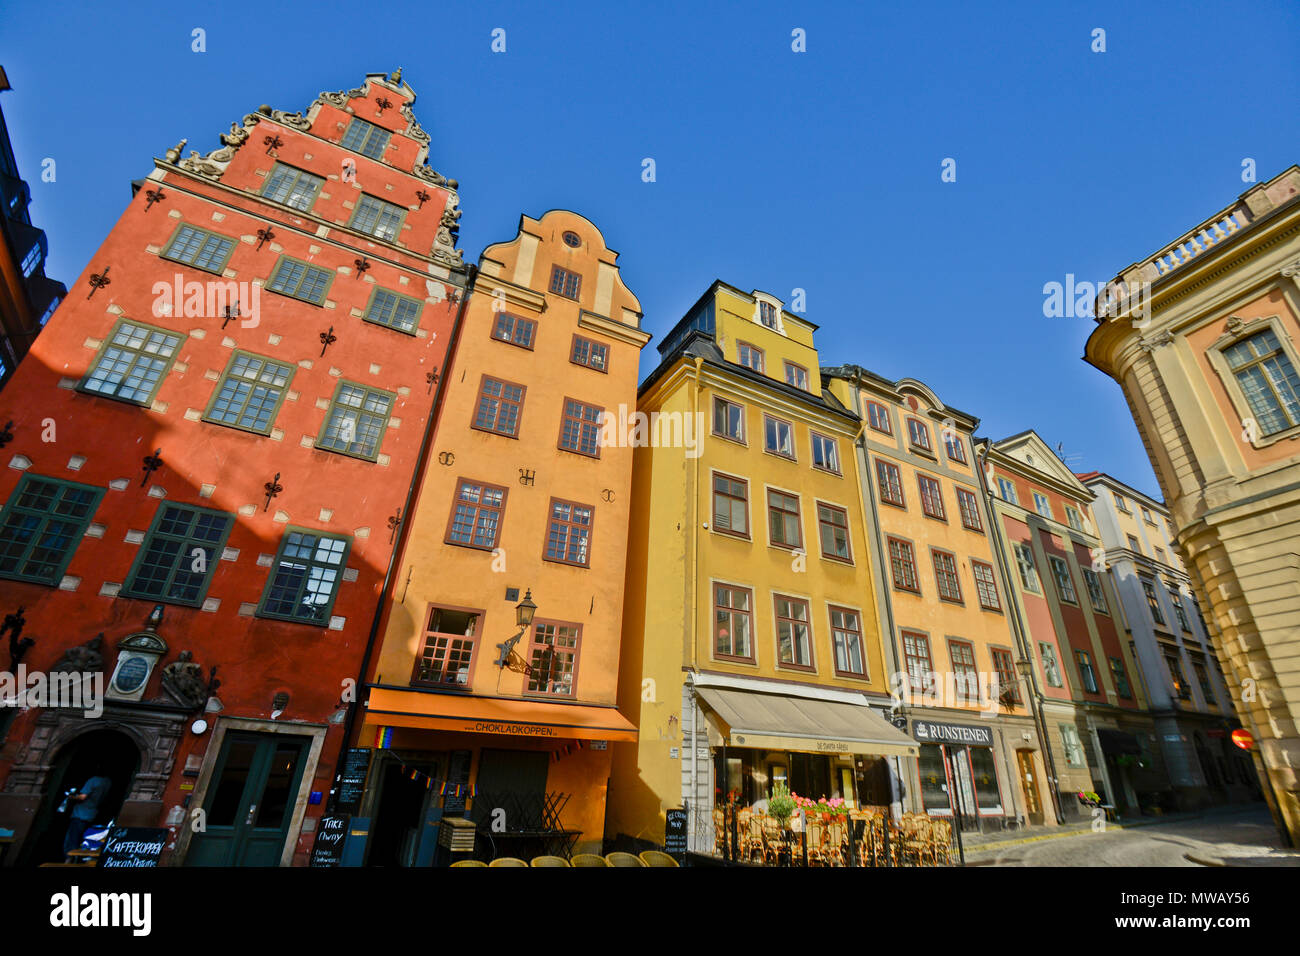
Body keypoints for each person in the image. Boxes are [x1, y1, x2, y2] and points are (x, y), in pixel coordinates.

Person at [63, 763, 111, 860]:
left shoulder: (93, 780)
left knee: (72, 839)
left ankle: (69, 860)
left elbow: (82, 797)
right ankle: (80, 859)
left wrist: (71, 796)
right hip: (93, 814)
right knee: (85, 840)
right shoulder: (108, 782)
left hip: (81, 814)